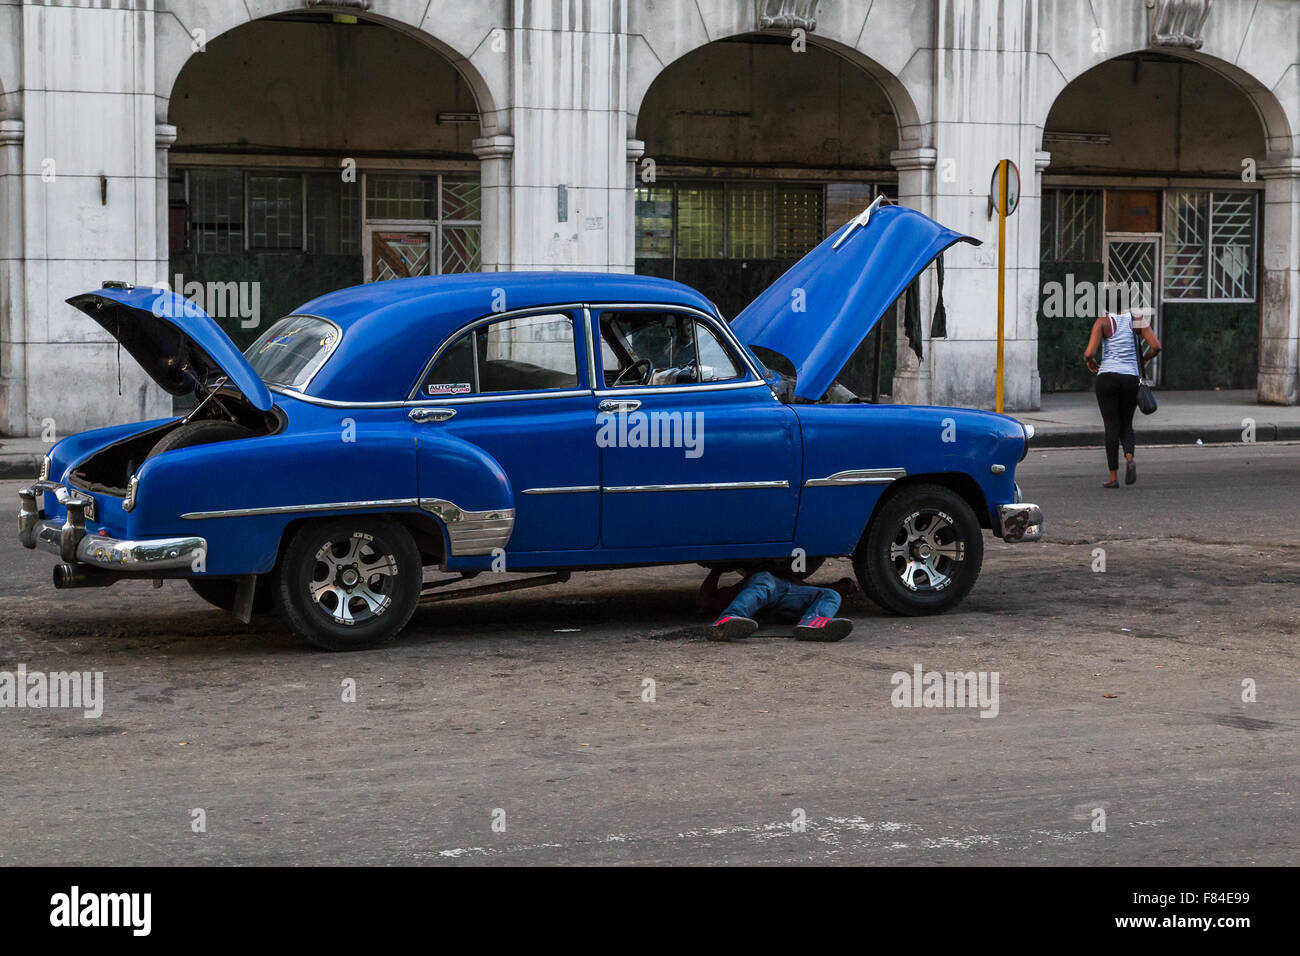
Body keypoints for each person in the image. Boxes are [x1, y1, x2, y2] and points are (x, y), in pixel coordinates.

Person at [1084, 309, 1161, 488]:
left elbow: (1089, 353)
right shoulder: (1137, 320)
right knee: (1126, 423)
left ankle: (1113, 477)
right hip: (1130, 378)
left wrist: (1090, 362)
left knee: (1111, 426)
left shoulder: (1103, 322)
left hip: (1107, 378)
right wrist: (1142, 360)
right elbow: (1156, 346)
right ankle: (1129, 458)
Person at [697, 567, 855, 642]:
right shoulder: (749, 587)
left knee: (831, 594)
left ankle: (813, 623)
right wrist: (717, 570)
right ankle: (725, 621)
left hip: (787, 597)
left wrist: (841, 586)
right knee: (765, 582)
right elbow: (705, 600)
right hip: (768, 589)